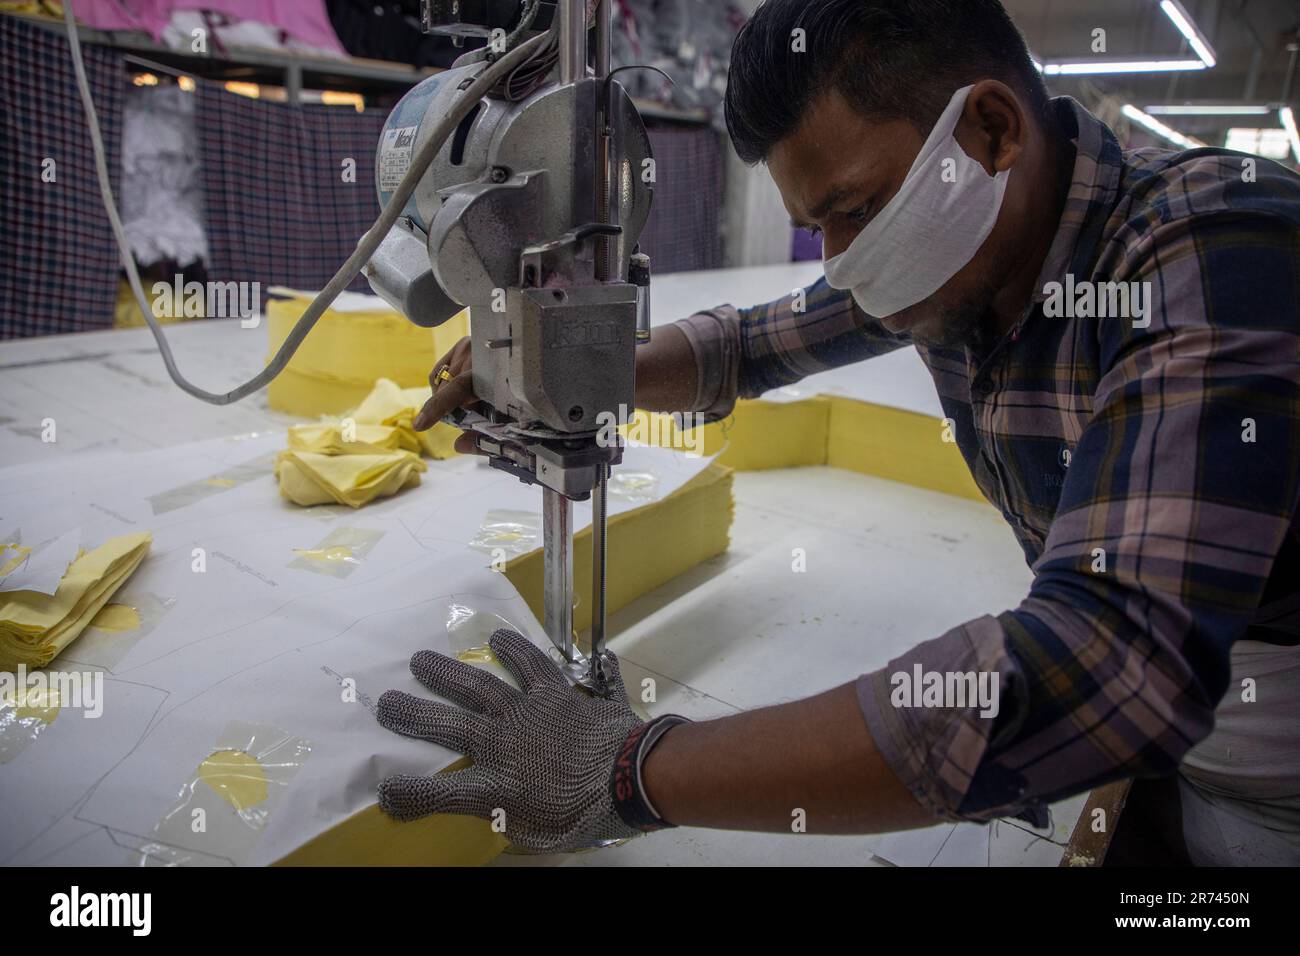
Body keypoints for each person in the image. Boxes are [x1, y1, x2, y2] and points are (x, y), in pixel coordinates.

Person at [375, 0, 1300, 864]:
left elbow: (1108, 667)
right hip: (1183, 744)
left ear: (989, 131)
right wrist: (553, 366)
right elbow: (752, 343)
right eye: (816, 226)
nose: (842, 262)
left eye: (855, 210)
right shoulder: (970, 248)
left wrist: (632, 769)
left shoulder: (1211, 249)